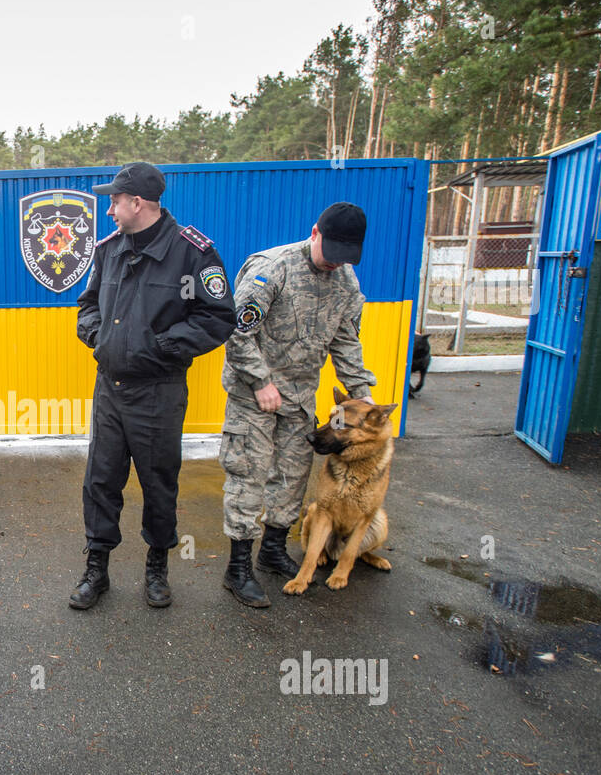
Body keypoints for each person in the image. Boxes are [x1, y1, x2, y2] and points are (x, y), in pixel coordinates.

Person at [71, 161, 237, 610]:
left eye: (114, 201)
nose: (109, 211)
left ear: (137, 203)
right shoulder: (109, 251)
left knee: (158, 483)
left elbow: (219, 316)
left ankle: (157, 567)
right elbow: (87, 306)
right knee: (100, 480)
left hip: (159, 392)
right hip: (110, 388)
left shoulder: (193, 253)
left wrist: (162, 346)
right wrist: (97, 336)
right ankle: (97, 568)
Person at [220, 202, 378, 608]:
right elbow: (236, 333)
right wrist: (261, 381)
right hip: (253, 395)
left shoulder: (345, 280)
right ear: (314, 233)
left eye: (346, 256)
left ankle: (273, 551)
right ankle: (238, 568)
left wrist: (361, 390)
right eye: (331, 252)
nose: (335, 263)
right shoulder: (272, 268)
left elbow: (345, 340)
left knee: (291, 476)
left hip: (300, 396)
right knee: (248, 474)